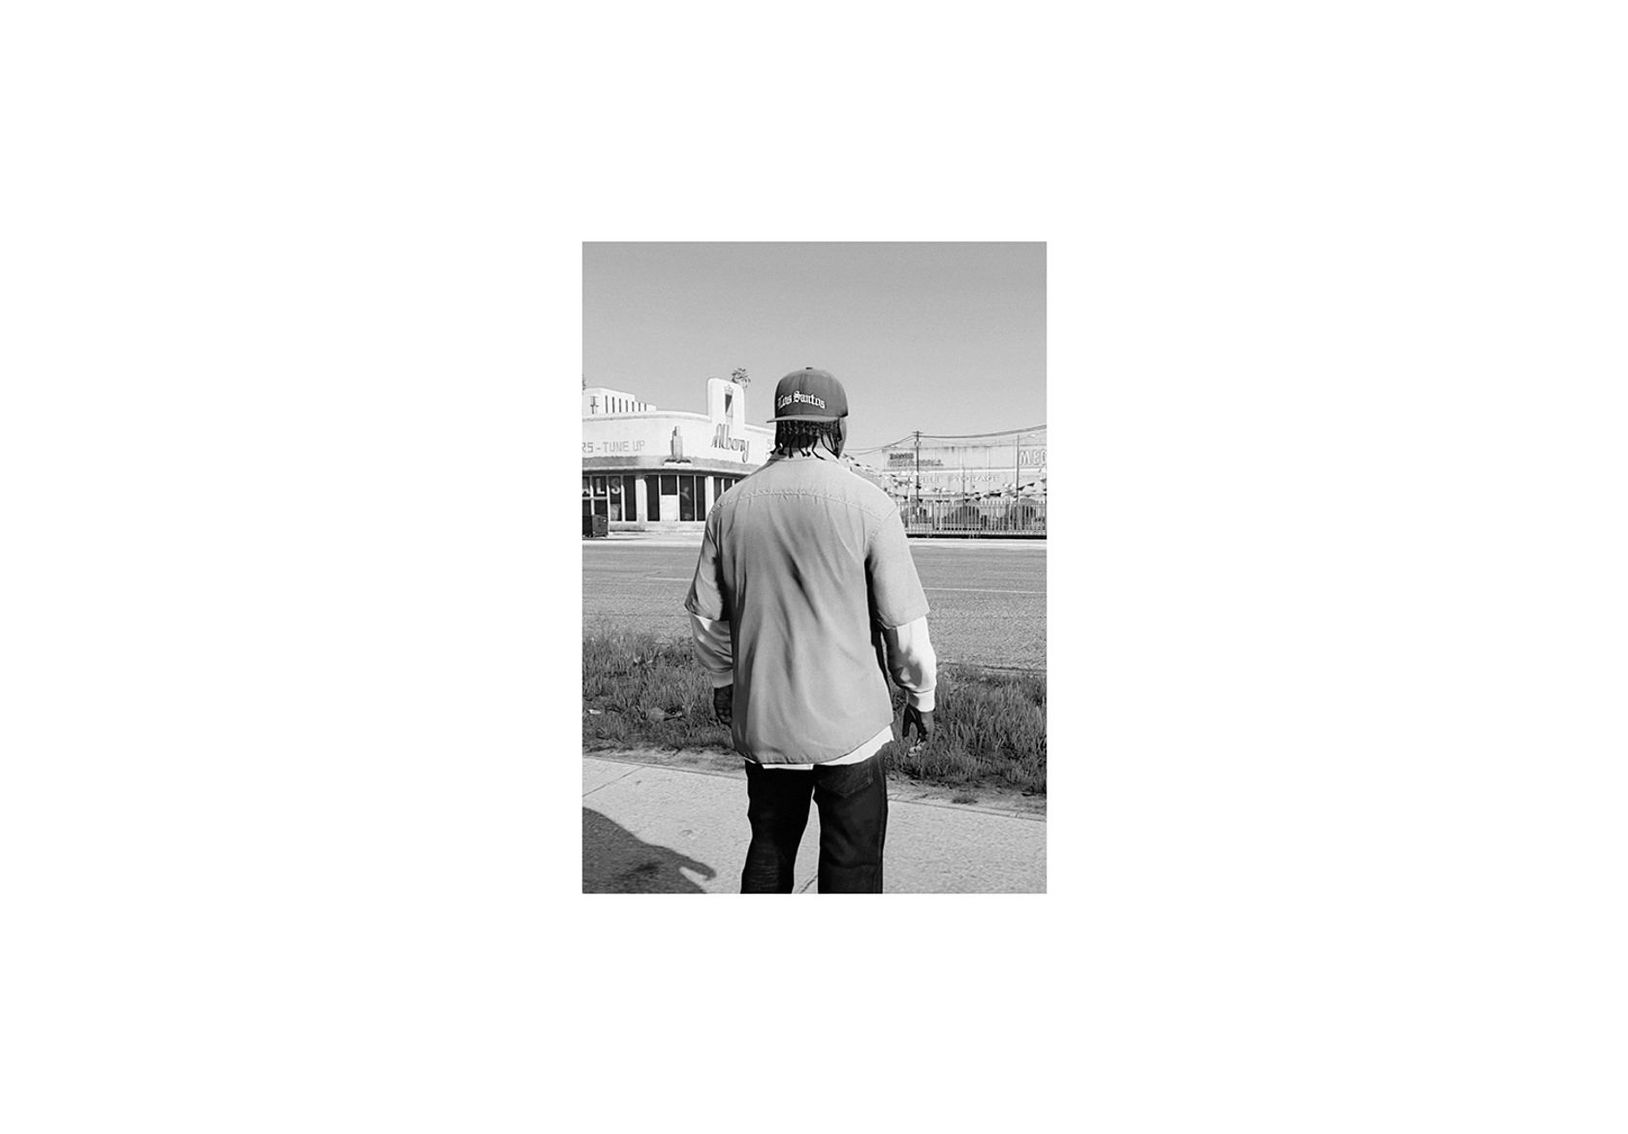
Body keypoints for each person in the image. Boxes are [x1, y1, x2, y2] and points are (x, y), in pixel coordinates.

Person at [685, 367, 937, 893]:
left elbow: (708, 617)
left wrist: (724, 681)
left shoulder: (729, 508)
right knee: (853, 863)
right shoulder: (869, 505)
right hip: (851, 729)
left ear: (780, 426)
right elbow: (904, 627)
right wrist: (921, 695)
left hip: (765, 722)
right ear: (838, 427)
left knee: (770, 847)